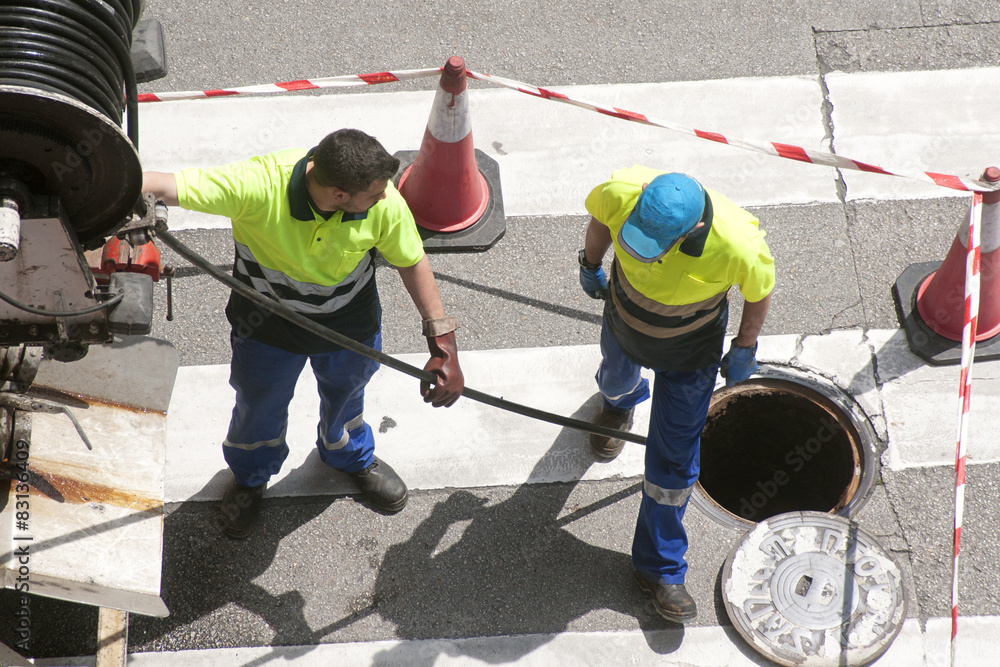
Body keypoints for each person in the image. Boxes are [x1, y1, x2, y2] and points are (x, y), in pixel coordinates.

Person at [143, 129, 464, 539]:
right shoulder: (258, 186)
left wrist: (443, 346)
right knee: (259, 405)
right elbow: (163, 184)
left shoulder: (384, 205)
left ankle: (346, 454)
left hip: (349, 328)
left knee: (348, 396)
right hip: (266, 330)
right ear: (339, 195)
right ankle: (251, 478)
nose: (385, 198)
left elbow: (412, 260)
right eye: (375, 194)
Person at [578, 166, 774, 622]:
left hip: (690, 357)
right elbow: (601, 223)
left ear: (696, 230)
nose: (645, 258)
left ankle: (660, 568)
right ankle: (618, 404)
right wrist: (589, 265)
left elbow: (759, 292)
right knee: (614, 381)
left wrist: (745, 347)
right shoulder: (621, 192)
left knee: (672, 463)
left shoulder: (738, 244)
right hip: (624, 326)